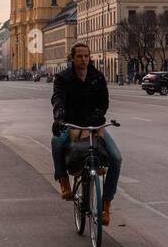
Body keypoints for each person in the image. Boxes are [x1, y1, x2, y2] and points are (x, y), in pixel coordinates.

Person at [50, 42, 121, 225]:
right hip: (72, 125)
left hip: (94, 126)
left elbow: (104, 102)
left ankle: (106, 206)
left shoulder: (97, 77)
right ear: (72, 58)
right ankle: (64, 181)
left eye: (86, 56)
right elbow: (58, 99)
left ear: (90, 58)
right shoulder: (63, 78)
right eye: (79, 56)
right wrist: (59, 118)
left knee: (116, 158)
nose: (83, 59)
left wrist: (97, 116)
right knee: (57, 142)